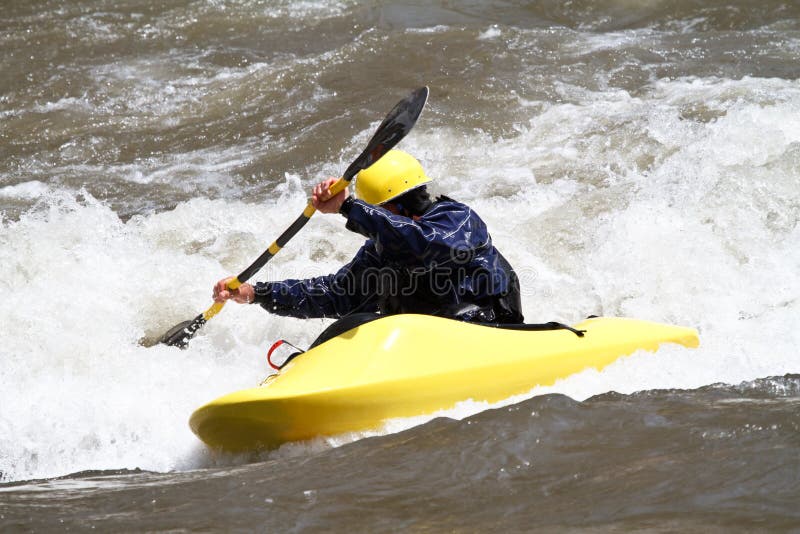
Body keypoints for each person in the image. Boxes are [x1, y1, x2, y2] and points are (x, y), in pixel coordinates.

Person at [213, 150, 524, 326]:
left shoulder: (458, 222)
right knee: (354, 321)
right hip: (422, 343)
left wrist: (348, 206)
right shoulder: (382, 251)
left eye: (380, 212)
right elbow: (336, 294)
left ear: (393, 207)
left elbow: (423, 246)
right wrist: (255, 293)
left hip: (490, 328)